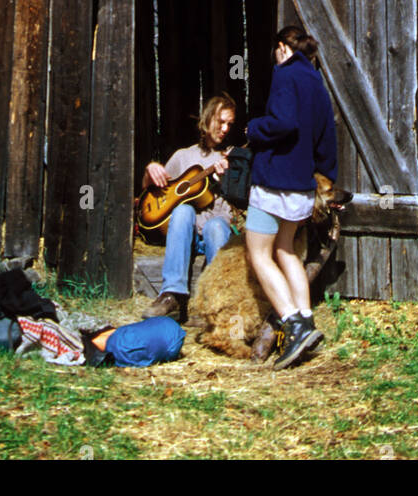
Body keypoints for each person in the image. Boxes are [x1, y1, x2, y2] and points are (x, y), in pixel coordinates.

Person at [245, 25, 337, 371]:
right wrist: (323, 176)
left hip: (273, 185)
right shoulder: (316, 81)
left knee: (259, 254)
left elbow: (282, 123)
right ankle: (308, 321)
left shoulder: (285, 74)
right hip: (300, 187)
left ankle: (293, 324)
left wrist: (252, 129)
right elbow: (327, 140)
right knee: (286, 251)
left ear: (282, 47)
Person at [142, 94, 237, 322]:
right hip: (187, 235)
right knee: (183, 211)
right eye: (220, 121)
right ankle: (172, 295)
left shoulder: (232, 157)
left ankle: (215, 303)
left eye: (229, 124)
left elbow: (242, 202)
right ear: (206, 119)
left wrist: (231, 178)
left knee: (215, 225)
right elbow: (154, 192)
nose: (224, 129)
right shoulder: (183, 157)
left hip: (216, 234)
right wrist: (150, 170)